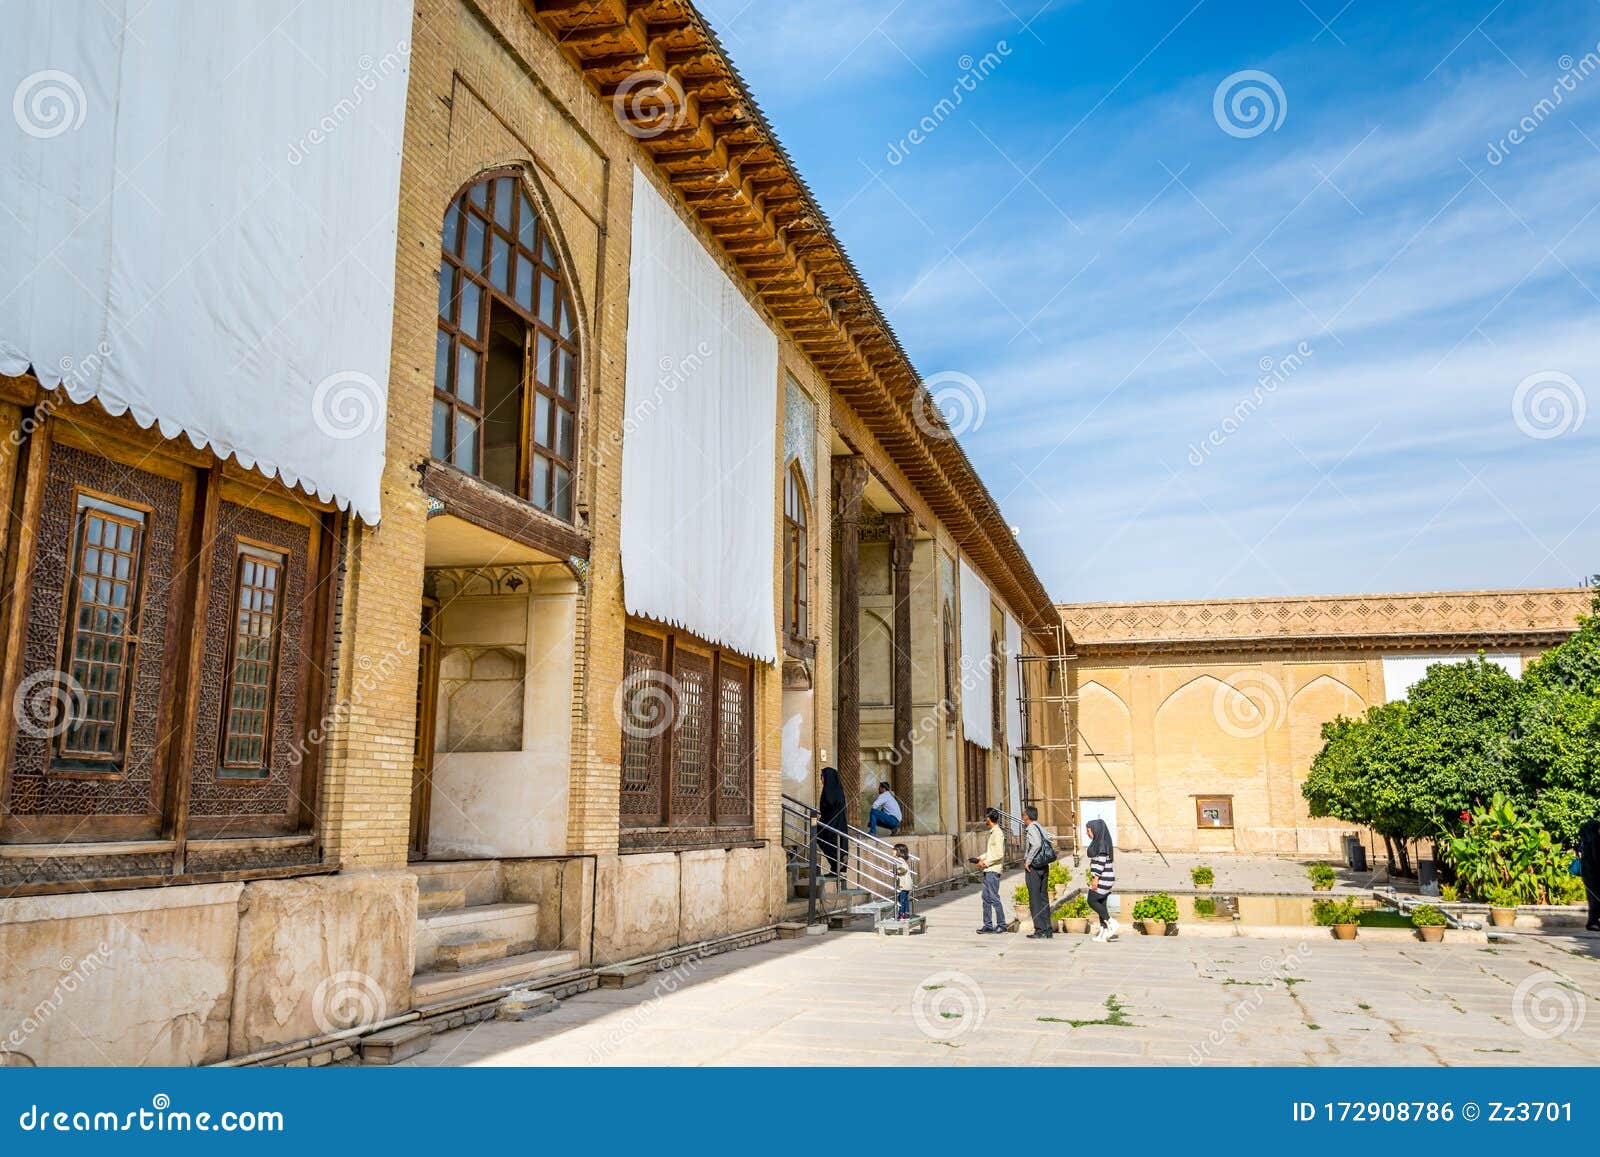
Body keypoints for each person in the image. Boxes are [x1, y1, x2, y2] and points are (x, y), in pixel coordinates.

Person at [1085, 817, 1119, 942]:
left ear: (1096, 830)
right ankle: (1104, 932)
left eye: (1089, 830)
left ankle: (1111, 922)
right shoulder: (1099, 842)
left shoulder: (1102, 844)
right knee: (1101, 904)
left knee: (1091, 900)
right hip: (1104, 878)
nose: (1087, 833)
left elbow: (1101, 862)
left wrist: (1095, 878)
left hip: (1103, 878)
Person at [1022, 806, 1053, 939]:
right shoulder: (1040, 827)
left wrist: (1028, 861)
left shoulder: (1031, 828)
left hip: (1034, 867)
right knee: (1043, 897)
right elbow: (1050, 838)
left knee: (1034, 899)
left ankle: (1039, 929)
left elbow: (1037, 844)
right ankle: (1047, 929)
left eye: (1023, 815)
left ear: (1027, 816)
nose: (1022, 817)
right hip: (1043, 865)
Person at [975, 807, 1007, 933]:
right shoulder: (993, 832)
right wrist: (980, 858)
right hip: (988, 870)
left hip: (993, 870)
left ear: (989, 818)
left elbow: (999, 854)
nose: (985, 820)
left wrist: (985, 863)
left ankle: (1001, 924)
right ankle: (988, 925)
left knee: (994, 898)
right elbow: (991, 852)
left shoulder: (998, 833)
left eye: (986, 817)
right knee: (986, 898)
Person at [817, 766, 848, 877]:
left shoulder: (829, 790)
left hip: (830, 822)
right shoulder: (838, 789)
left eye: (822, 776)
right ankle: (836, 868)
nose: (821, 779)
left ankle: (838, 859)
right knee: (834, 843)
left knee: (820, 838)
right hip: (839, 823)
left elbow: (828, 804)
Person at [1579, 818, 1600, 932]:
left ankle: (1594, 921)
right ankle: (1592, 922)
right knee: (1595, 899)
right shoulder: (1594, 840)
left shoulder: (1584, 840)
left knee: (1592, 898)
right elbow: (1596, 858)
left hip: (1587, 873)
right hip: (1594, 874)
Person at [893, 843, 914, 919]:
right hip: (908, 884)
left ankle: (901, 914)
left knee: (901, 900)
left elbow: (903, 869)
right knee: (905, 899)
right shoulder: (903, 860)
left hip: (904, 884)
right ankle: (906, 913)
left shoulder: (899, 860)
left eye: (895, 850)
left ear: (899, 852)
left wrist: (895, 871)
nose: (893, 851)